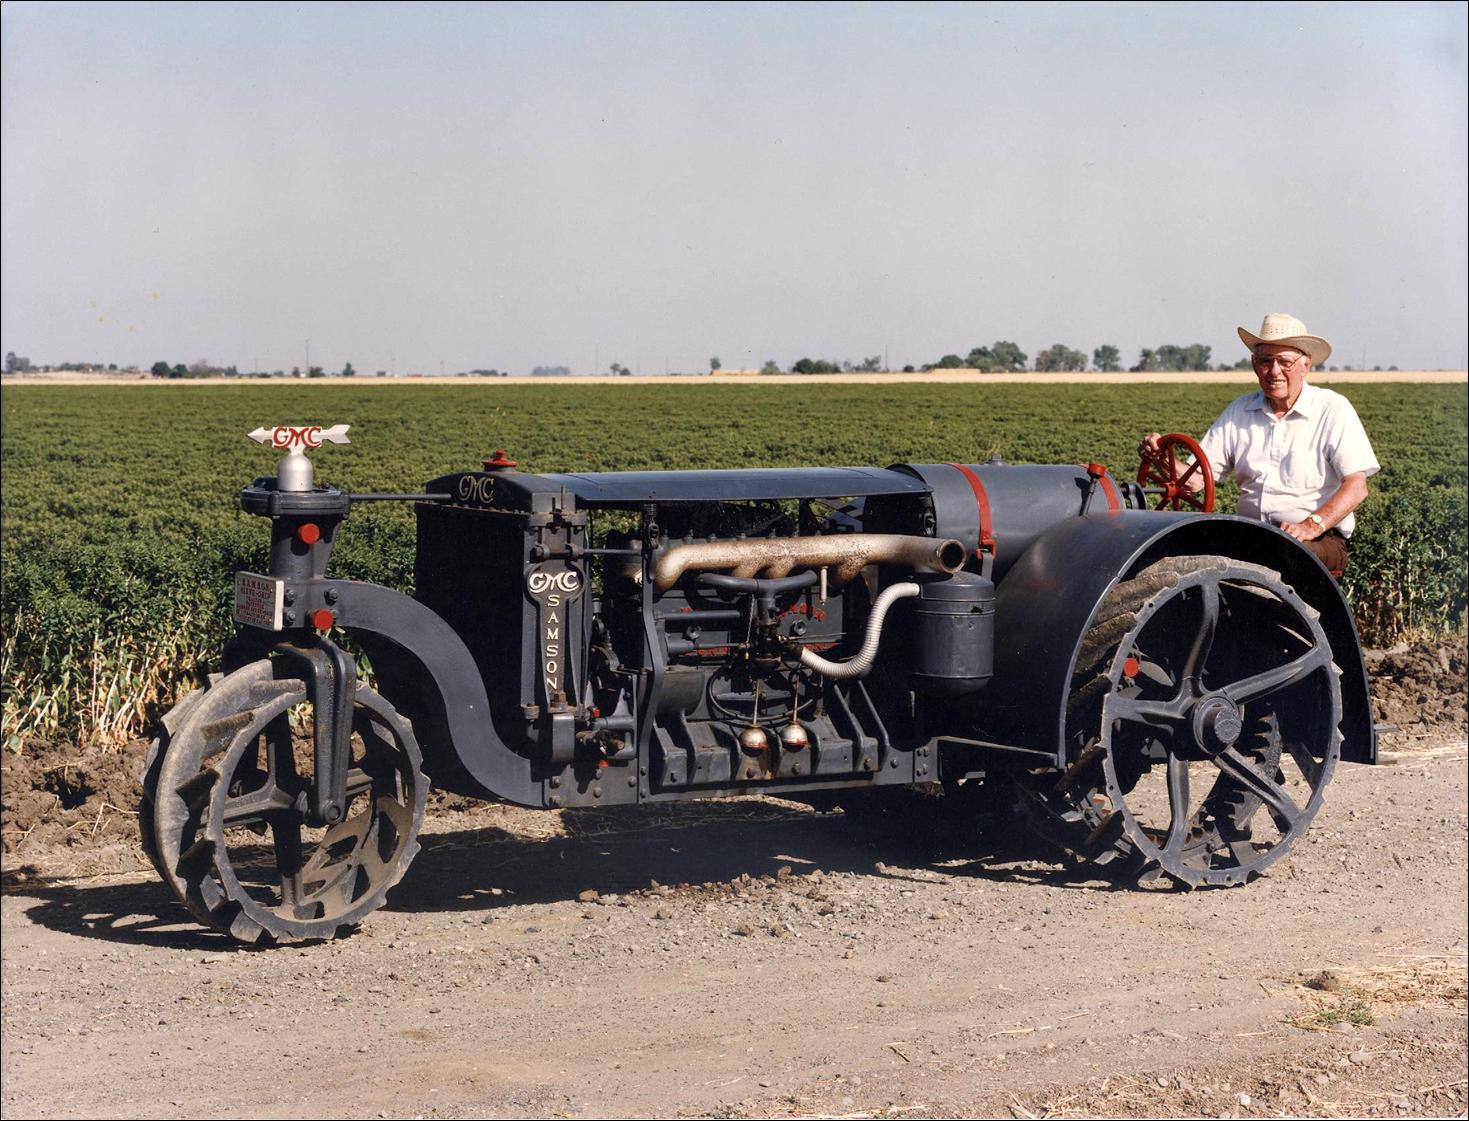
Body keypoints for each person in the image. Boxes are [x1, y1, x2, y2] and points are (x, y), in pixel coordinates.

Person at [1141, 312, 1379, 575]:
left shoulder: (1332, 409)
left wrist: (1311, 525)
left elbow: (1357, 486)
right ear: (1255, 364)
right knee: (1183, 552)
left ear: (1306, 365)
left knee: (1284, 554)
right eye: (1266, 361)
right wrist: (1161, 459)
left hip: (1320, 539)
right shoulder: (1239, 411)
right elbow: (1196, 480)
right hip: (1253, 534)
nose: (1274, 371)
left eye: (1285, 362)